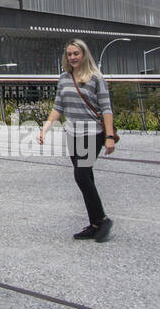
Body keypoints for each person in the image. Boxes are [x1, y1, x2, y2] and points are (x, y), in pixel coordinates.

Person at [38, 39, 117, 242]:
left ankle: (102, 219)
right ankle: (95, 224)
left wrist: (109, 137)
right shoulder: (64, 78)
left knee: (81, 175)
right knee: (85, 177)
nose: (72, 57)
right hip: (72, 133)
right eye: (69, 54)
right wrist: (46, 127)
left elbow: (106, 108)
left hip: (93, 133)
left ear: (84, 54)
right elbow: (58, 107)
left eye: (76, 53)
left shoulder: (96, 77)